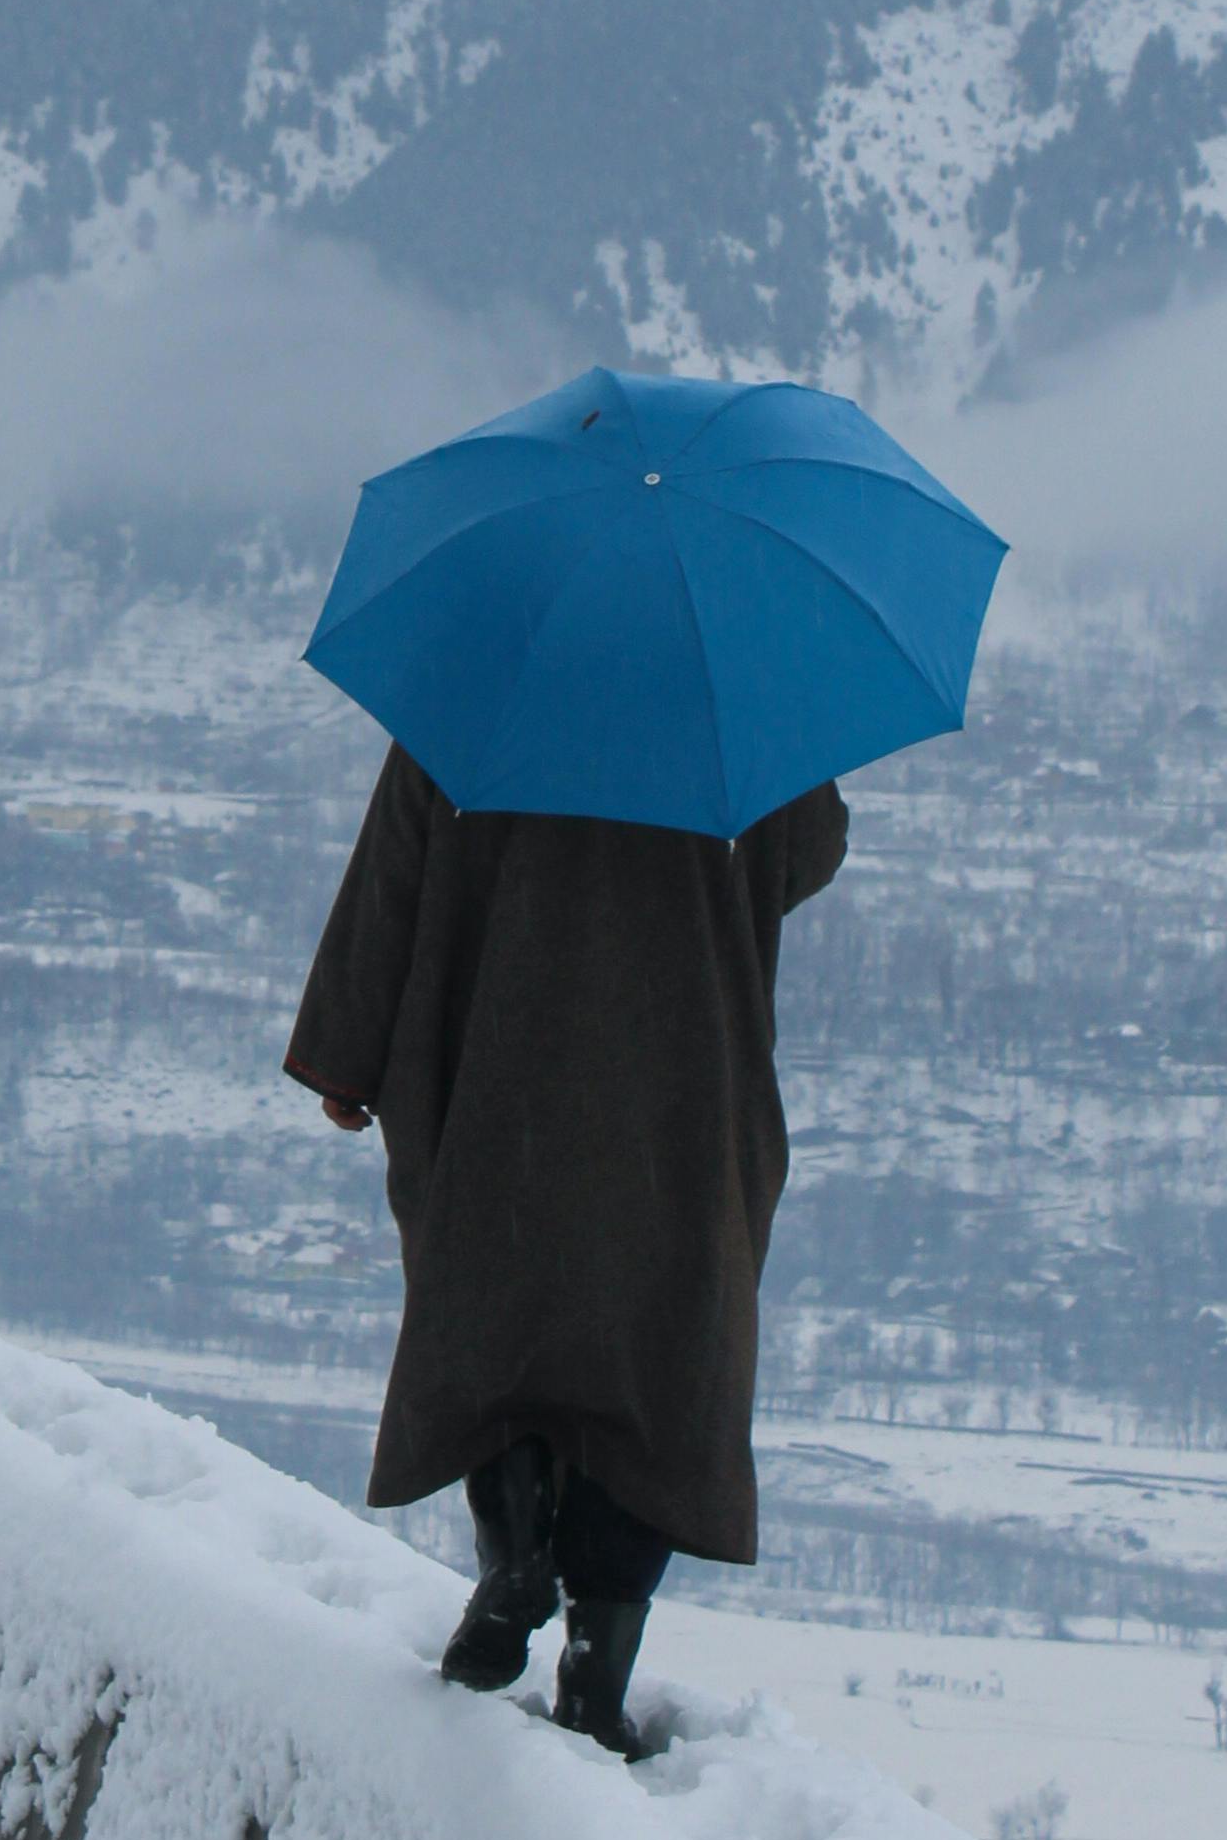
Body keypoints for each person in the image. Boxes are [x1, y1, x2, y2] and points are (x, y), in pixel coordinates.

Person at [286, 740, 848, 1751]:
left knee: (495, 1324)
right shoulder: (735, 706)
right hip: (676, 1089)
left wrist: (344, 1049)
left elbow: (393, 864)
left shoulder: (487, 671)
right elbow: (806, 853)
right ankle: (595, 1675)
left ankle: (512, 1561)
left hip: (500, 1062)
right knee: (659, 1368)